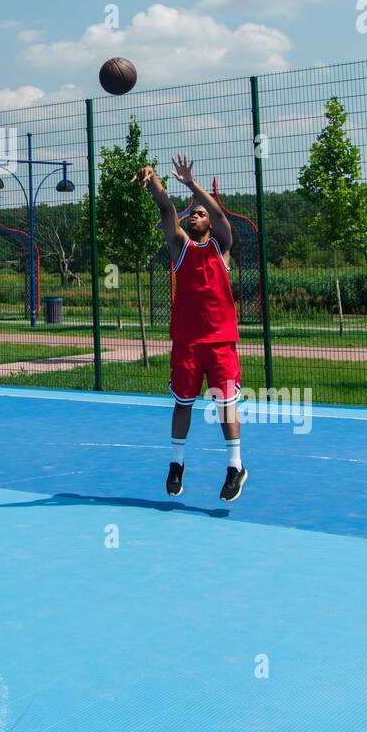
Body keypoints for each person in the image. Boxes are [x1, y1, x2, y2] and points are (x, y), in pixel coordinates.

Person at [133, 154, 248, 503]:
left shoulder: (221, 248)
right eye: (192, 214)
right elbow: (168, 212)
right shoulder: (180, 248)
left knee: (224, 404)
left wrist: (191, 185)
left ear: (209, 224)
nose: (194, 216)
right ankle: (176, 464)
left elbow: (220, 216)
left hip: (220, 343)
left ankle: (234, 466)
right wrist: (154, 181)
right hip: (187, 342)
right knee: (183, 403)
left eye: (200, 214)